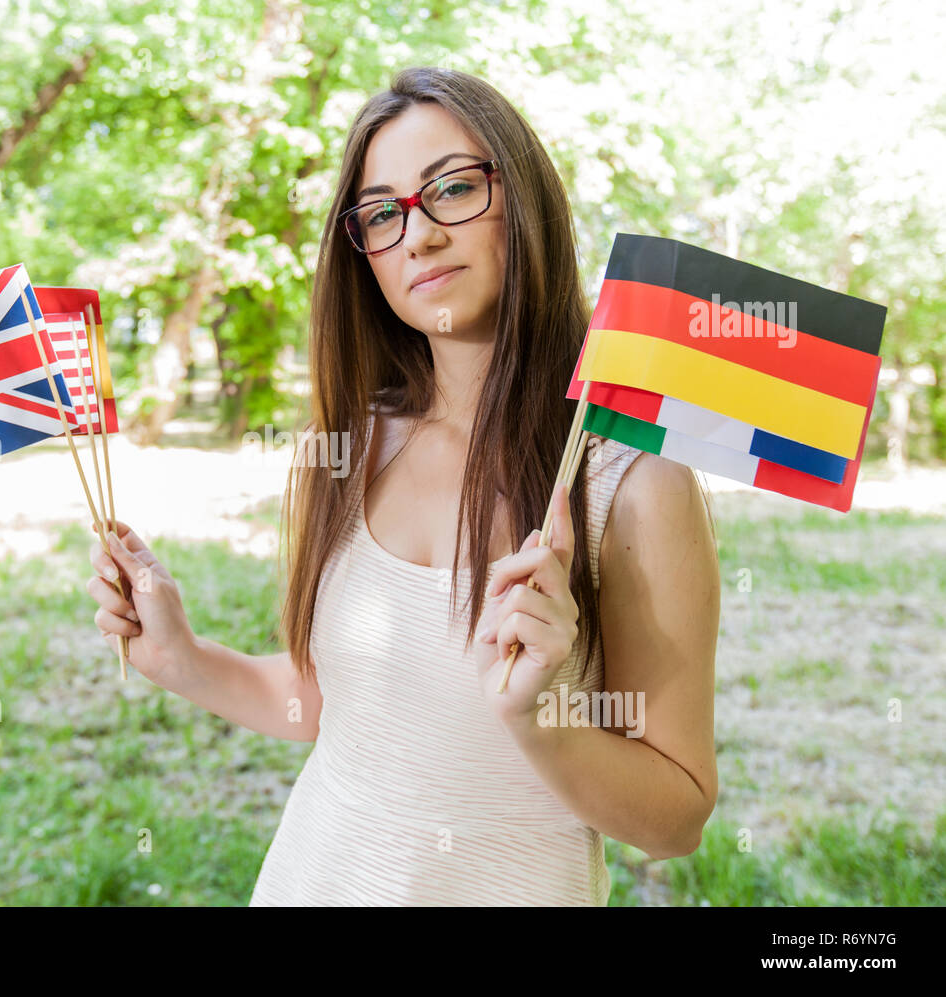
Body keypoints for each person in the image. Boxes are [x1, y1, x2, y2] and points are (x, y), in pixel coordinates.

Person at [87, 66, 720, 906]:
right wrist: (184, 658)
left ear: (523, 198)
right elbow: (331, 708)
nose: (417, 235)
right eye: (382, 213)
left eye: (451, 189)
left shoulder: (634, 481)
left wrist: (539, 718)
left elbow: (673, 820)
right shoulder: (346, 447)